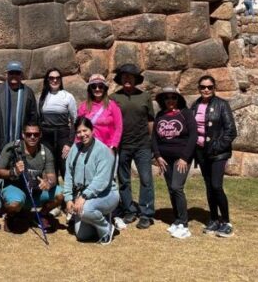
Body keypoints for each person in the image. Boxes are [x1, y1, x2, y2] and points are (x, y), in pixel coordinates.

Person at [0, 61, 38, 222]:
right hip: (0, 145)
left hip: (21, 146)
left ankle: (20, 206)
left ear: (22, 75)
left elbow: (33, 118)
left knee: (21, 176)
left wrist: (29, 143)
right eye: (11, 73)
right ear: (7, 74)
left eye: (17, 73)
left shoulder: (27, 92)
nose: (14, 76)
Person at [191, 75, 237, 238]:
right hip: (201, 153)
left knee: (217, 186)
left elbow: (231, 131)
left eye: (210, 87)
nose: (206, 90)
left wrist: (217, 147)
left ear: (214, 88)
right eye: (203, 87)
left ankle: (226, 221)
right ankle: (213, 218)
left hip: (218, 154)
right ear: (199, 88)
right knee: (209, 187)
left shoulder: (222, 105)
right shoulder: (195, 105)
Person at [0, 122, 63, 231]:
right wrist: (14, 172)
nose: (32, 137)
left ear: (40, 135)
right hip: (16, 189)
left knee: (60, 194)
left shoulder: (46, 152)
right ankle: (11, 215)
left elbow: (52, 176)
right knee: (14, 205)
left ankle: (41, 215)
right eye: (28, 134)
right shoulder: (12, 148)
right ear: (23, 135)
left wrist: (48, 183)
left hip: (36, 191)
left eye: (36, 134)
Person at [110, 64, 155, 231]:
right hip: (122, 145)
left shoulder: (145, 97)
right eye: (124, 76)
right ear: (120, 79)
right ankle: (129, 209)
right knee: (123, 180)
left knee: (146, 179)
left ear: (136, 79)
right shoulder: (114, 98)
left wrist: (152, 143)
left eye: (131, 76)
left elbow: (150, 120)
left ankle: (146, 213)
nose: (127, 79)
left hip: (142, 145)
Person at [63, 117, 119, 245]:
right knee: (82, 235)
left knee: (84, 210)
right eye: (78, 132)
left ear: (92, 130)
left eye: (85, 130)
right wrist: (68, 198)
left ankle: (106, 228)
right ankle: (98, 217)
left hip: (106, 194)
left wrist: (83, 196)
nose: (82, 135)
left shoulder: (103, 151)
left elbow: (102, 181)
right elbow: (68, 175)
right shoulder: (74, 149)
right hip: (84, 196)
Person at [152, 87, 197, 239]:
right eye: (167, 98)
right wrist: (157, 156)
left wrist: (185, 157)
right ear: (163, 101)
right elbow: (153, 138)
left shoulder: (186, 113)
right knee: (171, 189)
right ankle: (177, 219)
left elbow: (193, 136)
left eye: (174, 97)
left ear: (179, 99)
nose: (170, 100)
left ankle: (184, 223)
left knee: (177, 187)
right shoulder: (160, 114)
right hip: (165, 158)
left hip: (181, 158)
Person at [38, 68, 77, 178]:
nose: (54, 80)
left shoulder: (68, 97)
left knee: (65, 168)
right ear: (47, 80)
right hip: (46, 137)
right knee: (50, 169)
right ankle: (53, 194)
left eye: (57, 78)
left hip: (62, 136)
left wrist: (69, 143)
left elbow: (75, 121)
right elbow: (39, 120)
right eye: (51, 78)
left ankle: (69, 194)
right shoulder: (42, 97)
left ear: (61, 80)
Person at [77, 74, 122, 151]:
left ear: (105, 88)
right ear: (90, 89)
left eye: (101, 86)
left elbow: (118, 127)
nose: (97, 89)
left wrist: (113, 146)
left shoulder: (113, 105)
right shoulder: (83, 106)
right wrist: (78, 145)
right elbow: (78, 127)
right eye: (94, 86)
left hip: (107, 147)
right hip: (88, 147)